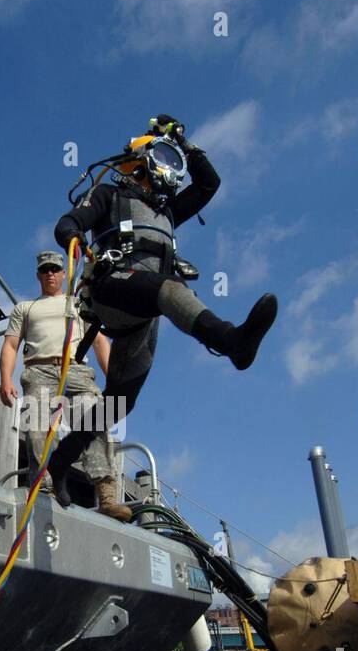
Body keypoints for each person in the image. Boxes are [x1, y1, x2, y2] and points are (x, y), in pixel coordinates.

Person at [45, 113, 278, 506]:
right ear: (142, 161)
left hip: (145, 312)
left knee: (120, 401)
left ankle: (61, 461)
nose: (170, 171)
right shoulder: (110, 195)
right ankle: (231, 341)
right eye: (164, 159)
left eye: (175, 164)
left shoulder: (168, 212)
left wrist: (184, 142)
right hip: (112, 289)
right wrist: (80, 245)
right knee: (170, 287)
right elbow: (67, 222)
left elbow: (209, 183)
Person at [0, 249, 131, 522]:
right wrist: (5, 379)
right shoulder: (25, 308)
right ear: (38, 275)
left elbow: (99, 342)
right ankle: (44, 487)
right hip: (39, 369)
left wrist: (116, 381)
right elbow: (11, 346)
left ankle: (106, 495)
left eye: (54, 269)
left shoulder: (79, 303)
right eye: (45, 269)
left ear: (63, 274)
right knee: (36, 427)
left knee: (95, 422)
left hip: (76, 369)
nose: (50, 274)